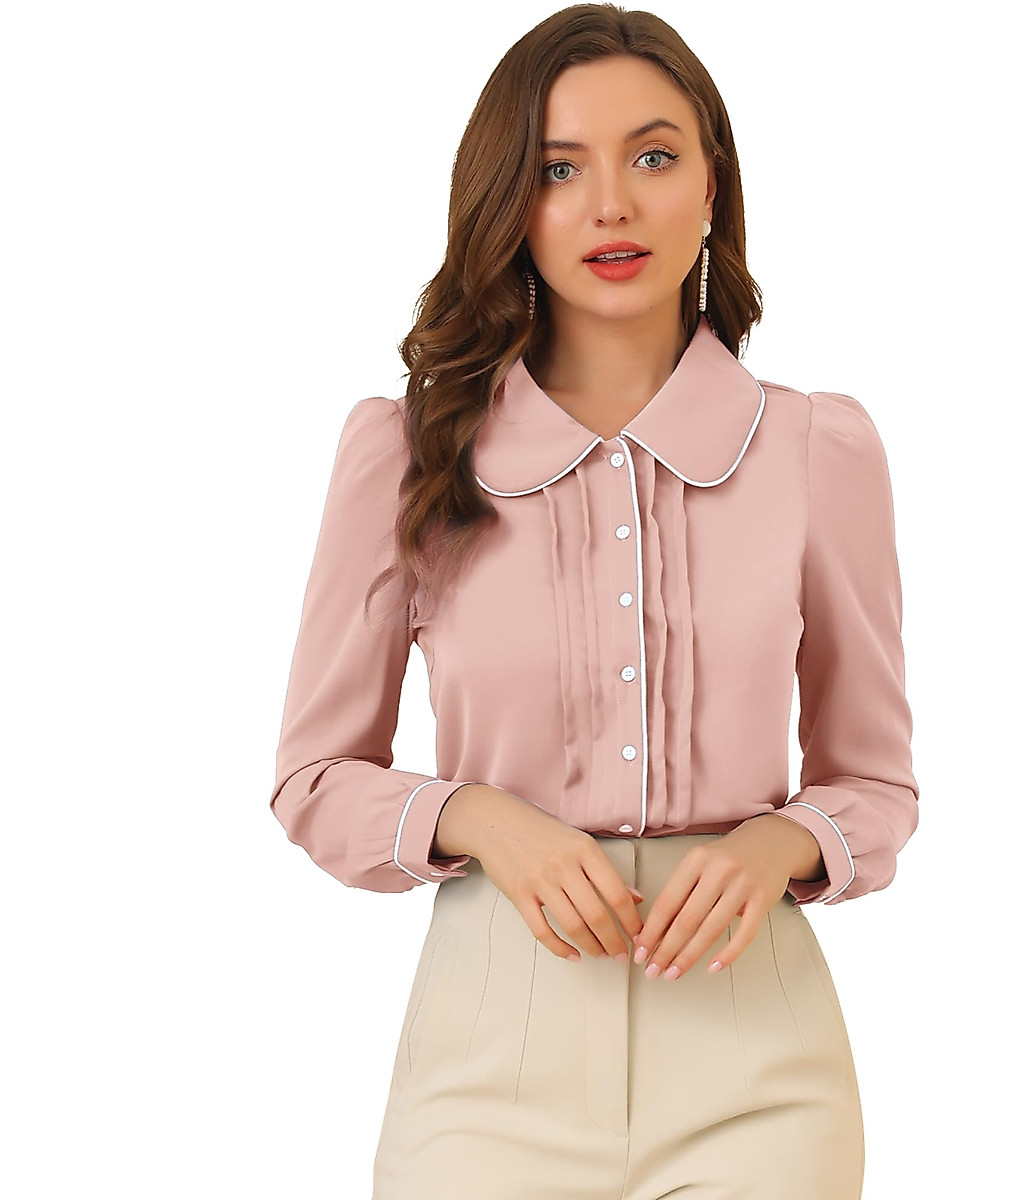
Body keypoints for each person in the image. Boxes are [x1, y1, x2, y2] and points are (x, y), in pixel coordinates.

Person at [267, 5, 920, 1197]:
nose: (610, 205)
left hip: (757, 1059)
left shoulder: (818, 451)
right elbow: (313, 782)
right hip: (486, 1062)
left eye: (652, 157)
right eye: (560, 169)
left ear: (712, 184)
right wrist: (478, 817)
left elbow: (876, 783)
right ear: (510, 202)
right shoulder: (406, 453)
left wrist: (779, 842)